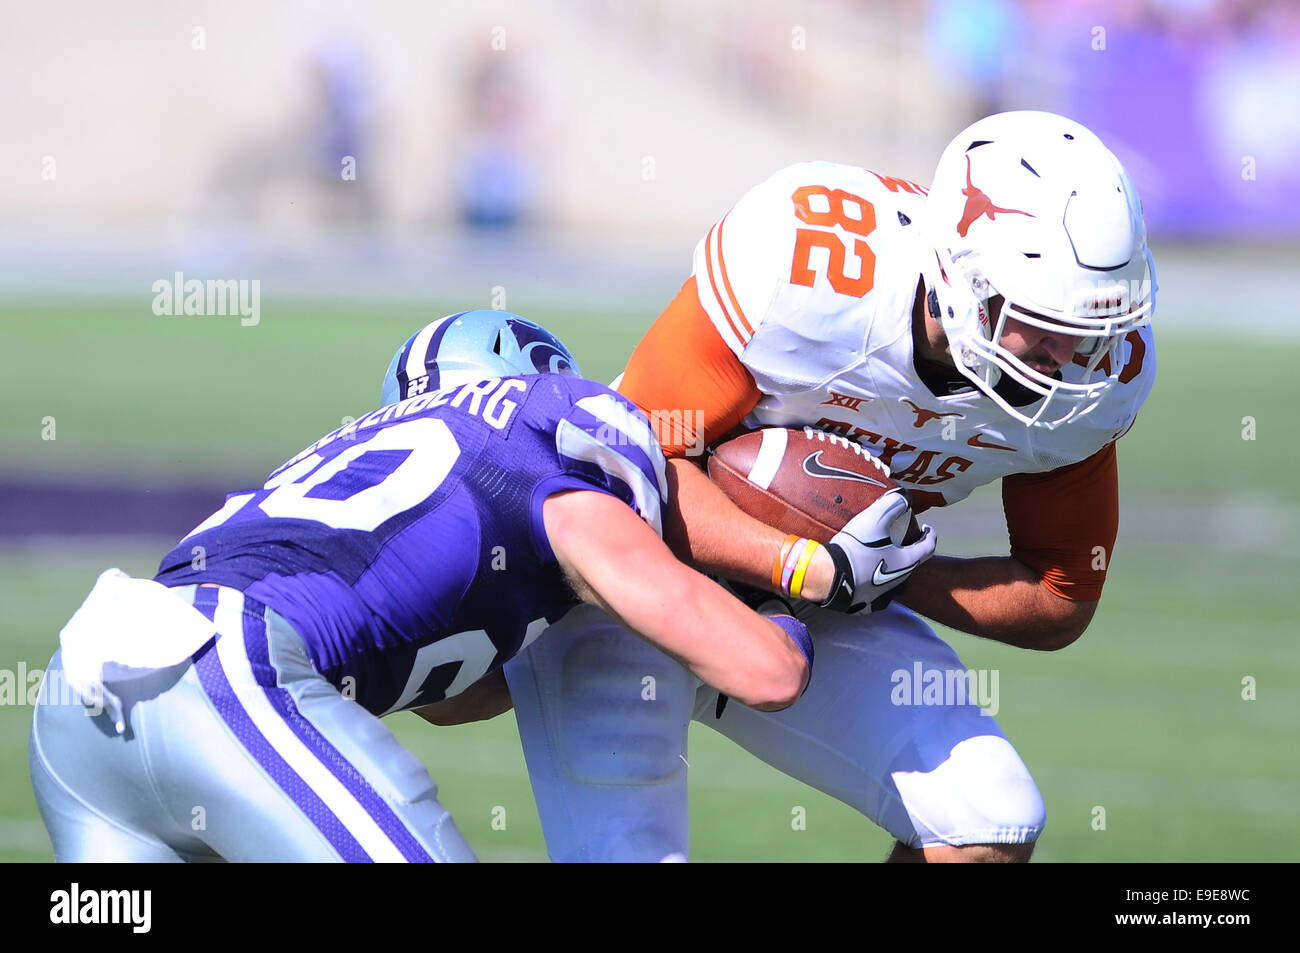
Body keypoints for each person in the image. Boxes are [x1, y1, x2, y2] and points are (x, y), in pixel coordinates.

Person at [501, 110, 1158, 862]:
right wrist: (805, 560)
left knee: (989, 821)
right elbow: (631, 468)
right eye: (1040, 322)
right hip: (637, 574)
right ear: (962, 277)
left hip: (821, 608)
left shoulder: (1093, 378)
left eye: (1090, 327)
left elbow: (1057, 597)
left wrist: (890, 571)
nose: (1069, 357)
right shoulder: (803, 261)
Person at [27, 311, 824, 862]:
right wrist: (781, 608)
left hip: (82, 707)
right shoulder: (547, 426)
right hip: (229, 678)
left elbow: (450, 690)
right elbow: (765, 672)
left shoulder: (352, 455)